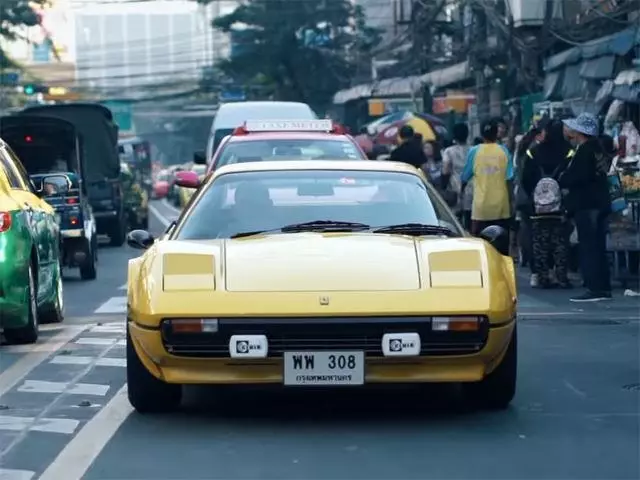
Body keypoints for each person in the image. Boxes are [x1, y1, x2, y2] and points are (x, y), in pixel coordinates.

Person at [559, 113, 612, 302]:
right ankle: (603, 287)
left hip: (587, 205)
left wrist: (564, 178)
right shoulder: (599, 149)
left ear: (580, 132)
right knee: (598, 247)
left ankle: (594, 288)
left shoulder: (584, 151)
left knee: (589, 247)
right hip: (601, 204)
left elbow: (574, 176)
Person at [521, 119, 572, 289]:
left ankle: (542, 276)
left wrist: (536, 195)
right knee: (560, 242)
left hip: (538, 208)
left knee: (540, 243)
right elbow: (571, 175)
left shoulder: (534, 152)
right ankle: (561, 276)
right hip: (560, 208)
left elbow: (525, 178)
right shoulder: (569, 152)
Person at [461, 119, 514, 255]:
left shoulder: (474, 151)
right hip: (501, 207)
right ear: (497, 134)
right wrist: (511, 202)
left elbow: (464, 177)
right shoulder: (504, 151)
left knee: (479, 246)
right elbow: (509, 179)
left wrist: (461, 193)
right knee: (502, 249)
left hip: (480, 208)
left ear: (482, 134)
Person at [441, 123, 471, 228]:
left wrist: (443, 187)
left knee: (456, 220)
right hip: (473, 188)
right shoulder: (473, 150)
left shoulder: (449, 151)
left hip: (455, 188)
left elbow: (445, 171)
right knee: (470, 218)